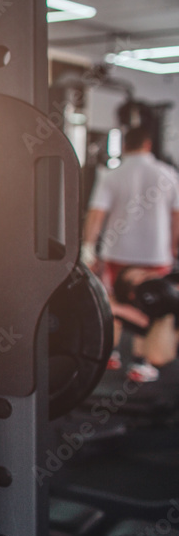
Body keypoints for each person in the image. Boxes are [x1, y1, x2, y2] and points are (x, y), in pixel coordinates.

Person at [83, 123, 179, 383]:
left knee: (112, 302)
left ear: (125, 146)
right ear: (148, 145)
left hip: (118, 251)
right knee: (153, 306)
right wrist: (174, 247)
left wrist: (88, 248)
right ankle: (141, 363)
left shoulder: (112, 174)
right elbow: (176, 216)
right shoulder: (168, 173)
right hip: (156, 254)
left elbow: (96, 214)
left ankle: (110, 355)